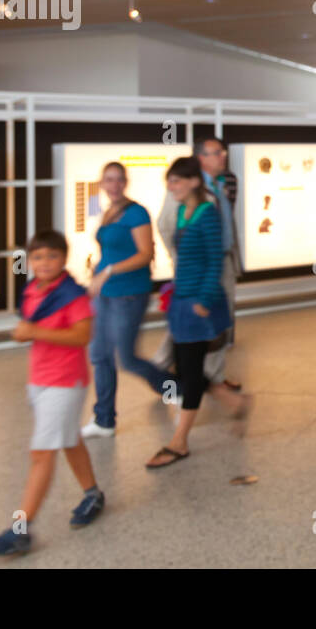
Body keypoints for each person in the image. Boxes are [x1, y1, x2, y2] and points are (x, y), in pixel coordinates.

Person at [0, 230, 105, 556]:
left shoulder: (73, 296)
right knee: (68, 439)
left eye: (52, 256)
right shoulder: (32, 290)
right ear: (29, 261)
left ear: (64, 259)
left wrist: (33, 331)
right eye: (37, 257)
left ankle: (20, 530)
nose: (44, 262)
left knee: (41, 454)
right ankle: (93, 494)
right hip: (40, 379)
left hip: (65, 382)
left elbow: (81, 336)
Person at [146, 156, 248, 469]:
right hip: (182, 300)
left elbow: (214, 260)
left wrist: (203, 299)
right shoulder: (180, 212)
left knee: (189, 372)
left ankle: (180, 441)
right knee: (185, 366)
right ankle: (234, 402)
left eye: (176, 181)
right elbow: (183, 257)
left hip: (198, 304)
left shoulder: (207, 213)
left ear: (193, 181)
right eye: (169, 182)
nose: (171, 187)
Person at [82, 161, 173, 438]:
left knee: (127, 358)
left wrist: (108, 271)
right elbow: (112, 250)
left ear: (126, 182)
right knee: (99, 355)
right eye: (109, 180)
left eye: (119, 179)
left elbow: (145, 254)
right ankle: (104, 419)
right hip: (105, 294)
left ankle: (174, 388)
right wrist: (96, 271)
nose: (115, 185)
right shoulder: (108, 212)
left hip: (129, 294)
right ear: (102, 183)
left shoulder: (136, 213)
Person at [154, 137, 242, 390]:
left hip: (221, 259)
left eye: (222, 153)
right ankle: (164, 369)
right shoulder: (188, 185)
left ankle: (212, 375)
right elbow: (166, 223)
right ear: (201, 157)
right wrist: (181, 256)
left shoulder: (221, 184)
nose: (222, 157)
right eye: (216, 153)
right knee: (194, 316)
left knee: (217, 317)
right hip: (201, 265)